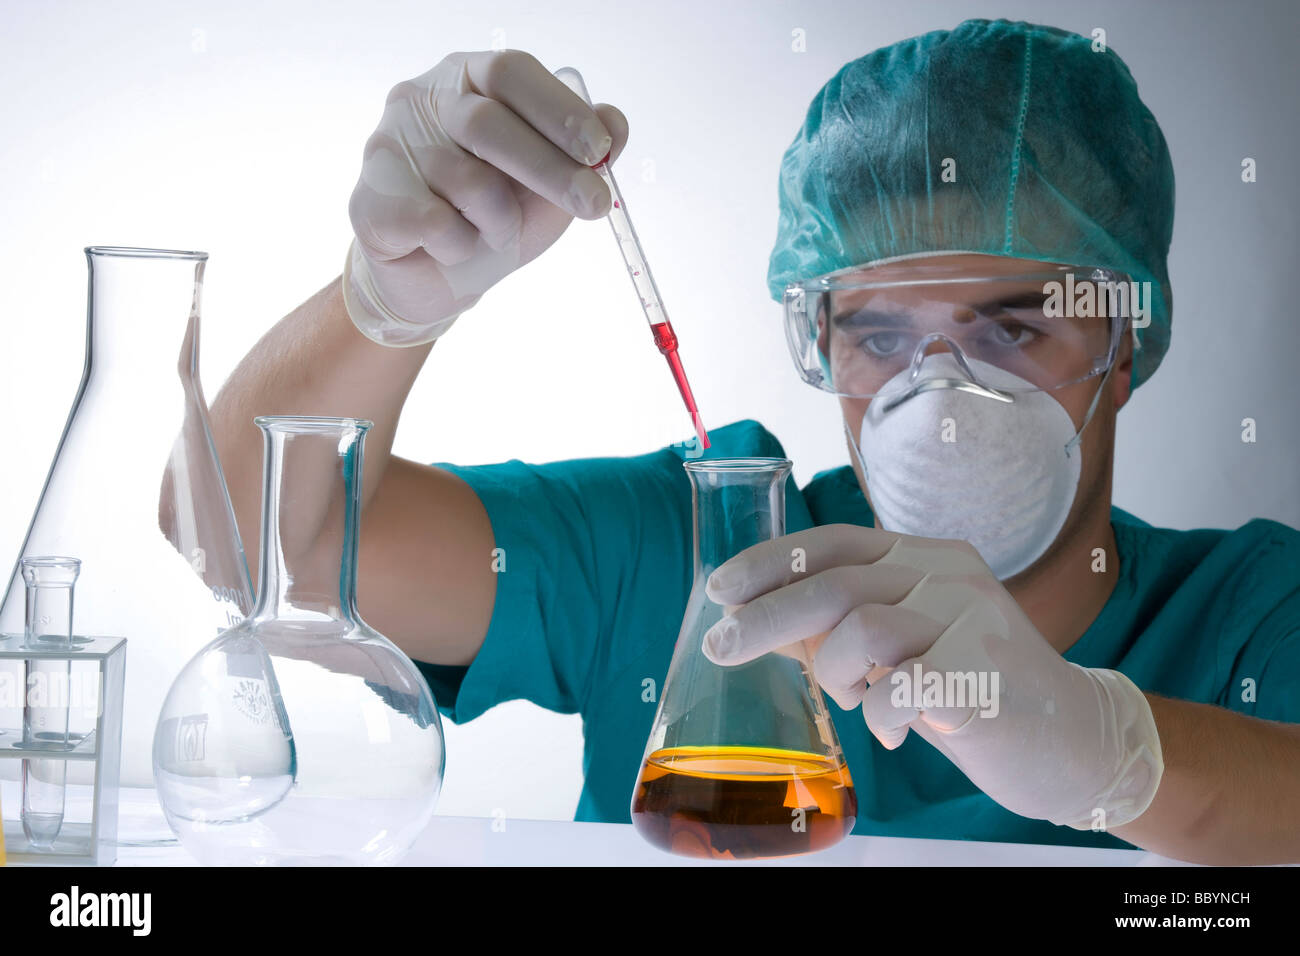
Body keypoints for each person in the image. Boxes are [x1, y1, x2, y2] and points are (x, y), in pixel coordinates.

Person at [208, 19, 1300, 863]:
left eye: (1013, 327)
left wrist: (1111, 752)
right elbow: (248, 539)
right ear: (817, 341)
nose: (941, 391)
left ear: (1123, 342)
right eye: (878, 331)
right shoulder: (710, 549)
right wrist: (387, 301)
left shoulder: (1243, 611)